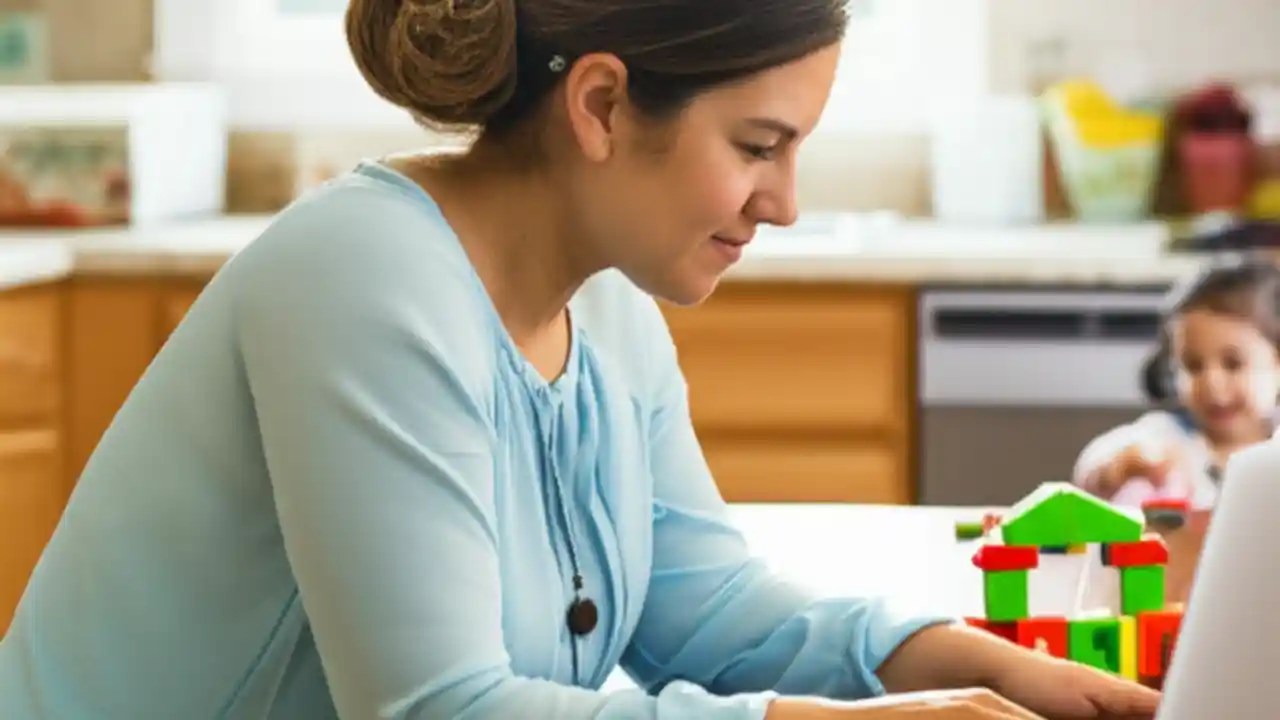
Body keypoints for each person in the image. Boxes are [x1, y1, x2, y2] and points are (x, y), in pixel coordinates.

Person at [0, 1, 1160, 718]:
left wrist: (972, 666)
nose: (787, 203)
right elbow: (439, 713)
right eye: (757, 145)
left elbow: (696, 605)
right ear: (601, 103)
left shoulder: (605, 310)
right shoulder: (362, 276)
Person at [1075, 259, 1280, 509]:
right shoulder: (1164, 439)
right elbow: (1094, 469)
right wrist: (1128, 464)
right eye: (1193, 366)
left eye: (1233, 364)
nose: (1212, 383)